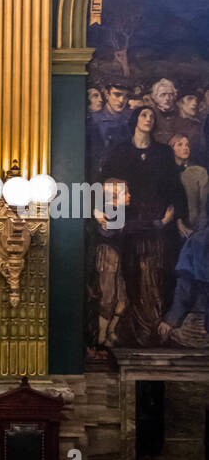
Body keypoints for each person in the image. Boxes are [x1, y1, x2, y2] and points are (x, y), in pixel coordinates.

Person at [102, 106, 187, 345]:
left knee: (157, 274)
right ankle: (134, 331)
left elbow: (175, 189)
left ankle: (154, 330)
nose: (148, 119)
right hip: (130, 225)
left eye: (151, 116)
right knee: (132, 274)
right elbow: (107, 189)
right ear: (135, 120)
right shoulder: (120, 152)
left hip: (158, 226)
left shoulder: (162, 153)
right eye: (143, 115)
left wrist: (173, 218)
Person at [91, 177, 129, 348]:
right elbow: (107, 233)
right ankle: (101, 337)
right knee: (108, 297)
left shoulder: (115, 212)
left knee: (122, 299)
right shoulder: (105, 212)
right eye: (125, 193)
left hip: (116, 256)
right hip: (107, 256)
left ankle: (110, 331)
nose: (129, 196)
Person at [159, 226, 209, 346]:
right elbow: (185, 289)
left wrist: (170, 320)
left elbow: (185, 289)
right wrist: (171, 320)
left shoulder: (197, 240)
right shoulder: (197, 241)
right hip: (201, 321)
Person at [169, 133, 208, 234]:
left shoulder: (199, 172)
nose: (185, 148)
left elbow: (204, 203)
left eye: (187, 145)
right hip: (171, 224)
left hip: (195, 226)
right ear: (171, 148)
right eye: (180, 144)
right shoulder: (166, 173)